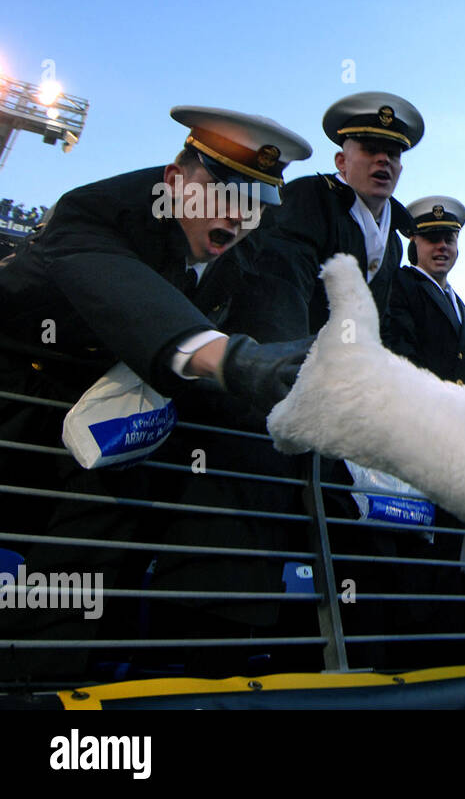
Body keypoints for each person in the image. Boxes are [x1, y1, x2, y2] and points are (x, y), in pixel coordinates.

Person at [0, 106, 313, 680]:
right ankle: (31, 682)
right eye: (223, 193)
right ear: (174, 181)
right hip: (29, 409)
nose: (240, 217)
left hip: (129, 426)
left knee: (217, 473)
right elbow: (131, 298)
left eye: (256, 204)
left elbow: (281, 341)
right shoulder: (97, 213)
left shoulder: (250, 256)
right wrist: (235, 360)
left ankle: (191, 675)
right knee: (94, 513)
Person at [234, 91, 424, 338]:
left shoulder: (394, 239)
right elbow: (280, 292)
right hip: (296, 365)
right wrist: (292, 366)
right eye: (370, 149)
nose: (383, 160)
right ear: (341, 162)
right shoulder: (308, 199)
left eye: (393, 154)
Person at [381, 196, 465, 383]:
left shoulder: (464, 312)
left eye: (449, 239)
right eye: (432, 239)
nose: (442, 246)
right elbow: (400, 362)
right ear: (413, 241)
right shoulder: (398, 286)